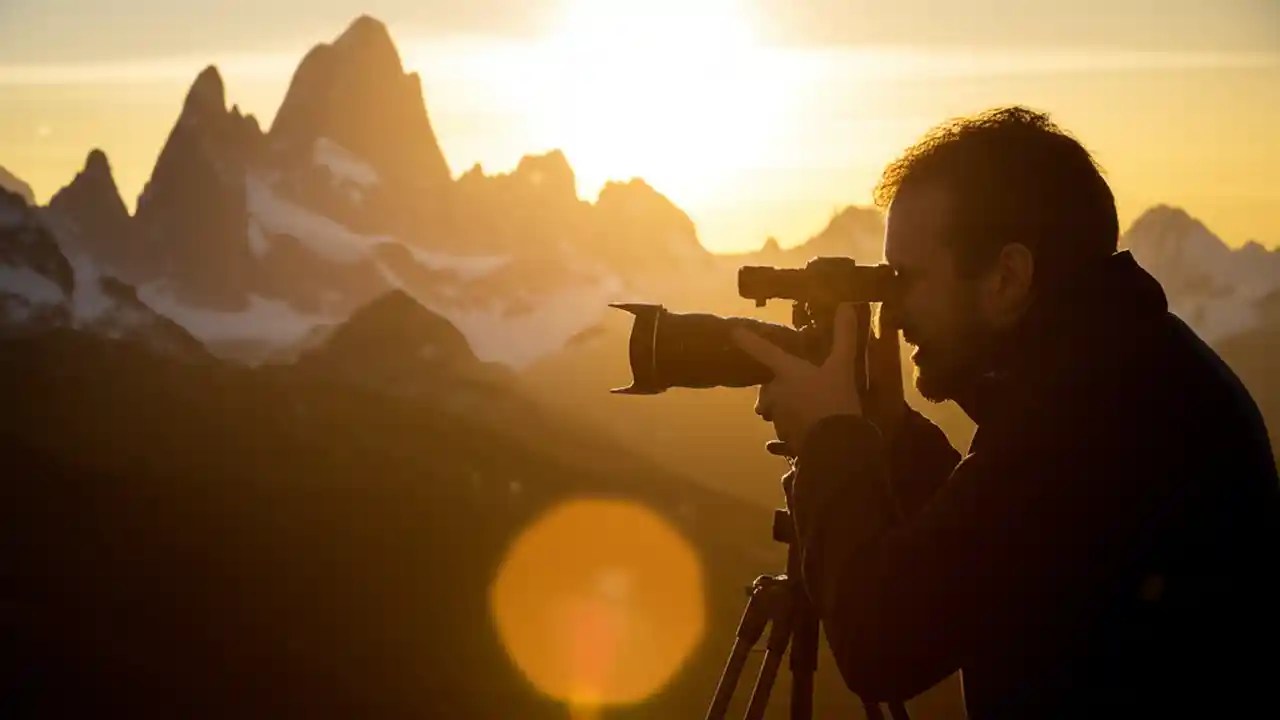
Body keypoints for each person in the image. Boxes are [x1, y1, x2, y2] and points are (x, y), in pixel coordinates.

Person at [732, 106, 1279, 718]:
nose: (894, 310)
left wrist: (832, 440)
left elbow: (883, 643)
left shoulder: (1088, 418)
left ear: (1007, 276)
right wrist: (890, 433)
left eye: (905, 278)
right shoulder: (1125, 369)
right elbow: (1002, 549)